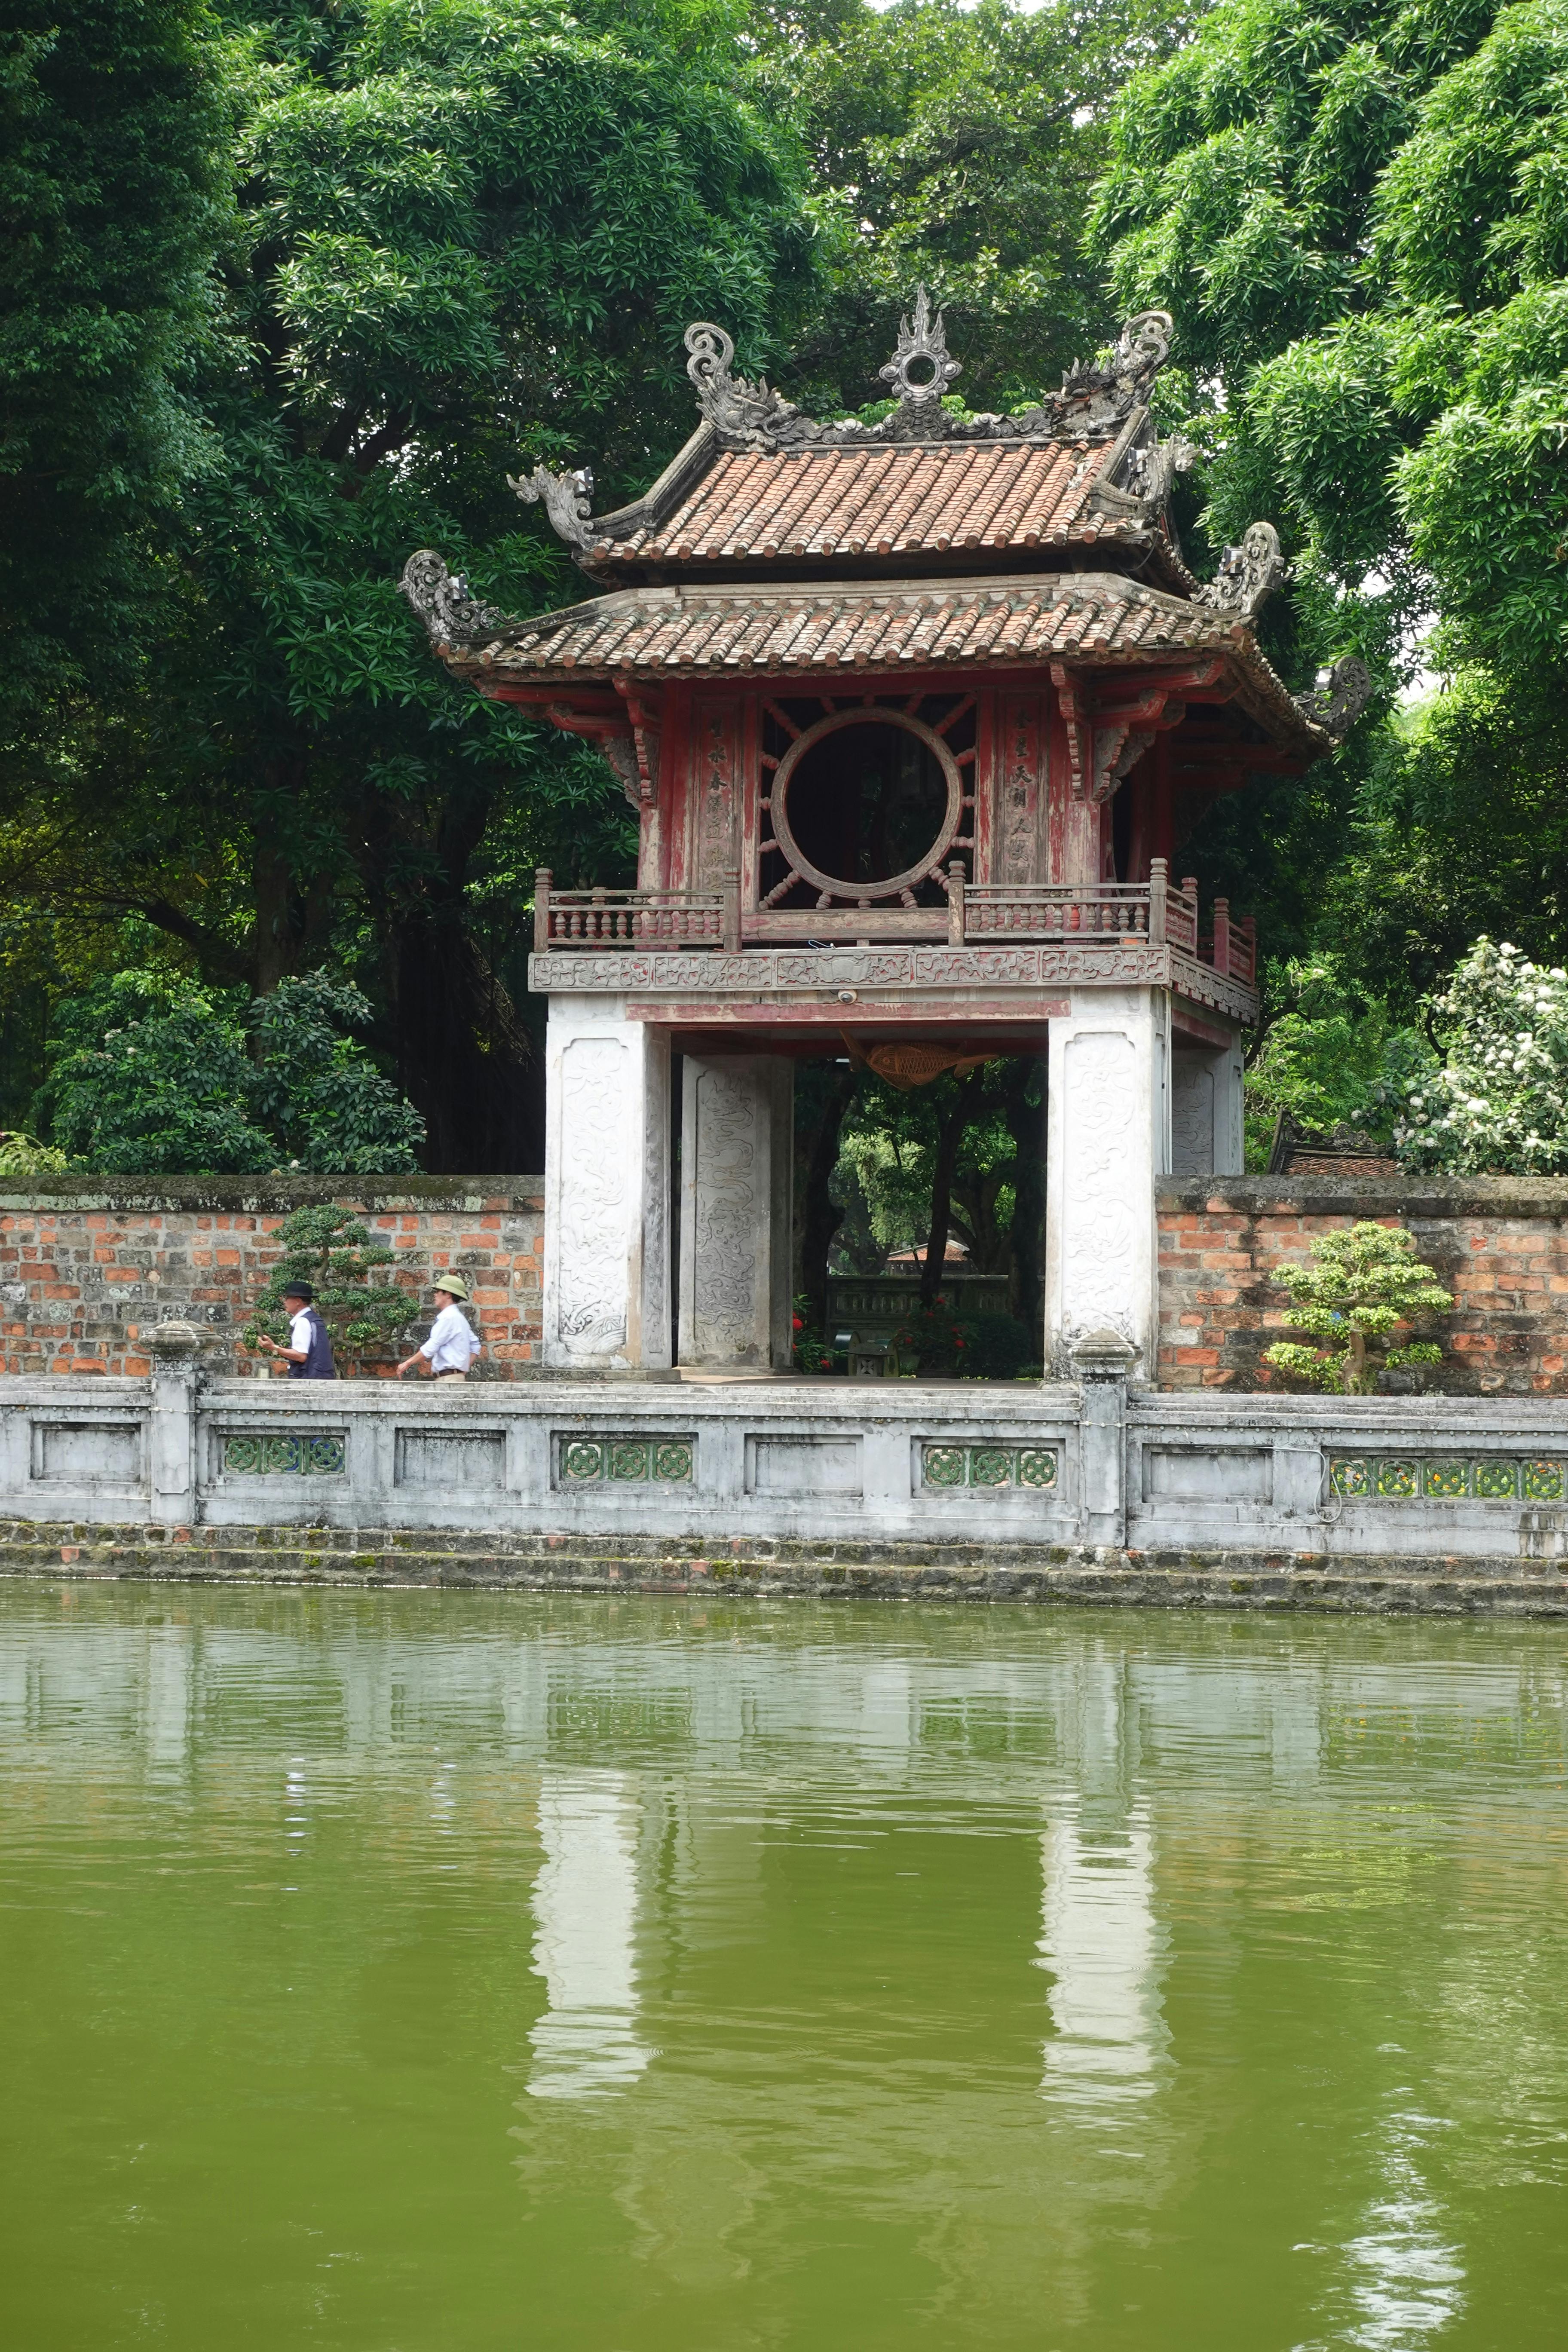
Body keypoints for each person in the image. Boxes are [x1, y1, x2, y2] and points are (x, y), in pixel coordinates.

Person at [397, 1276, 481, 1381]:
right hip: (453, 1377)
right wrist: (462, 1370)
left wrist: (407, 1363)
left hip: (448, 1379)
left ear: (448, 1295)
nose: (435, 1294)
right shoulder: (459, 1318)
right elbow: (475, 1345)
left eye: (439, 1292)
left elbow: (432, 1346)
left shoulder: (449, 1318)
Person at [255, 1280, 337, 1378]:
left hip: (308, 1381)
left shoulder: (303, 1321)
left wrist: (274, 1348)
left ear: (298, 1301)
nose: (284, 1301)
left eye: (287, 1298)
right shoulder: (314, 1319)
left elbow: (301, 1356)